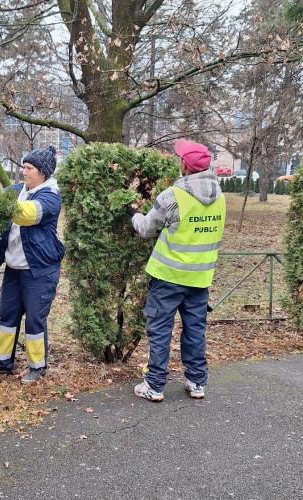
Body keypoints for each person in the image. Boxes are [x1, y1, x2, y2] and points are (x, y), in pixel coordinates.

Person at [128, 139, 226, 402]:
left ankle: (155, 385)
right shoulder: (220, 197)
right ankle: (196, 382)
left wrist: (133, 213)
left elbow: (147, 229)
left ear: (184, 164)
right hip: (200, 278)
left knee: (160, 330)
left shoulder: (172, 196)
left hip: (167, 277)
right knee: (195, 329)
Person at [0, 146, 65, 384]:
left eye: (29, 168)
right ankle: (2, 362)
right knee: (7, 315)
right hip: (14, 269)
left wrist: (1, 205)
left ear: (43, 173)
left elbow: (26, 215)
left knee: (35, 320)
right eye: (23, 167)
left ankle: (37, 367)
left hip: (39, 271)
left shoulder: (50, 198)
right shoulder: (17, 190)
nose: (24, 172)